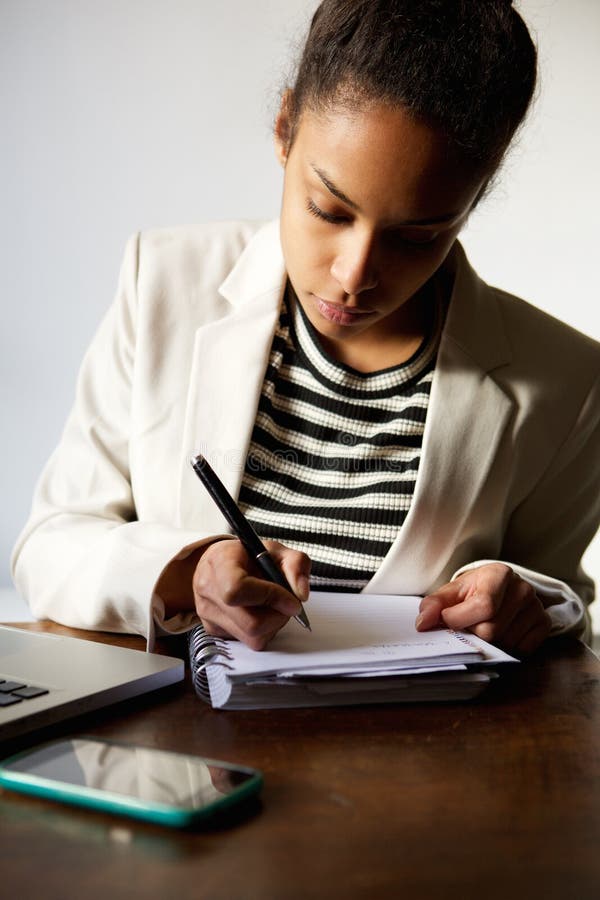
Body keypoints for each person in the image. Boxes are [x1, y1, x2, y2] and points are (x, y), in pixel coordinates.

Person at [12, 0, 600, 657]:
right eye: (328, 209)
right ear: (285, 127)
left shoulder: (568, 384)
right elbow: (50, 545)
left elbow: (564, 605)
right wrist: (186, 572)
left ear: (475, 197)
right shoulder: (163, 284)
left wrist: (523, 603)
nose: (354, 275)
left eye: (416, 237)